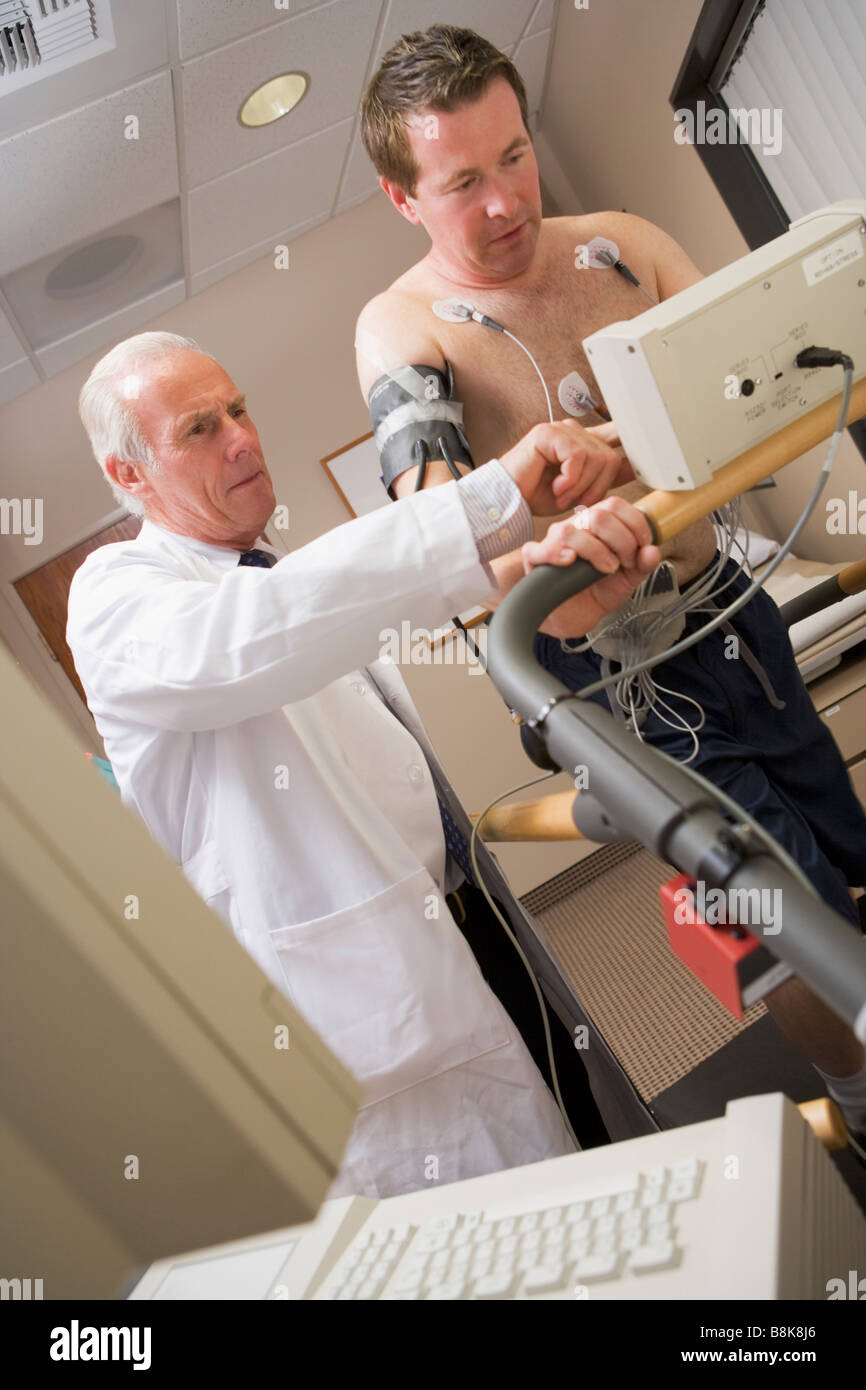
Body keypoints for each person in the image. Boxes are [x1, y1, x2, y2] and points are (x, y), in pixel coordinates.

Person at [355, 22, 866, 1158]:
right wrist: (538, 503)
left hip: (725, 614)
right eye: (459, 182)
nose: (501, 202)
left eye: (512, 156)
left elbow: (766, 385)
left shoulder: (620, 247)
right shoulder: (404, 325)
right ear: (403, 198)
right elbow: (431, 504)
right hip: (605, 677)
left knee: (837, 839)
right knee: (772, 907)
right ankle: (865, 1102)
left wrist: (616, 453)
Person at [66, 330, 661, 1200]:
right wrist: (494, 494)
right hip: (367, 1000)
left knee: (582, 1140)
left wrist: (538, 571)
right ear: (129, 476)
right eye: (200, 428)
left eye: (239, 409)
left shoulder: (266, 573)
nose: (241, 437)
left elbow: (322, 626)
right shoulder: (118, 593)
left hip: (465, 919)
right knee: (492, 1227)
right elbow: (254, 638)